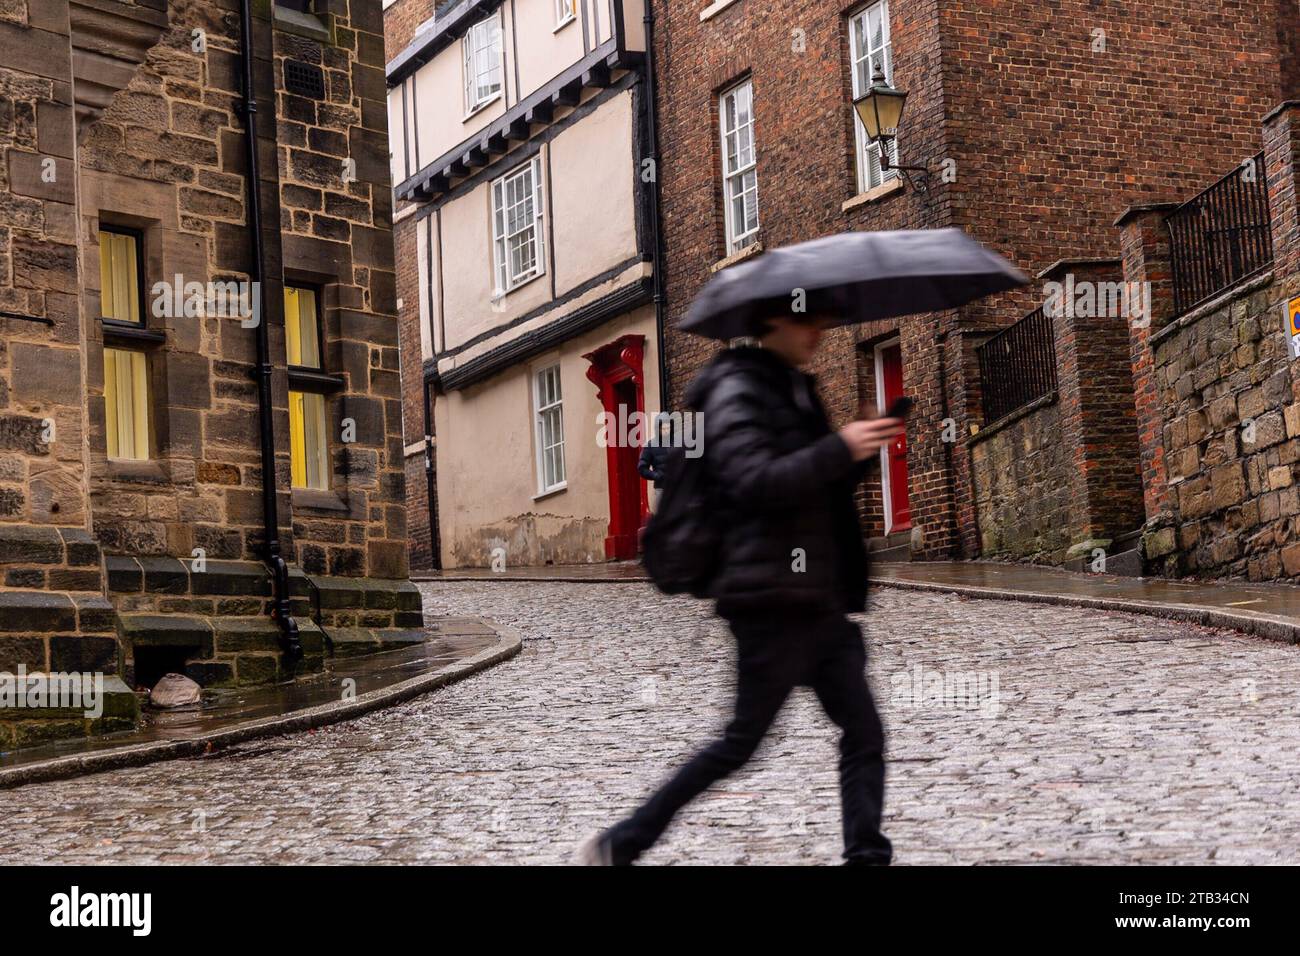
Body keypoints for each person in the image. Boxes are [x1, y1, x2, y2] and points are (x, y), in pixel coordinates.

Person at [579, 313, 905, 865]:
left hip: (816, 596)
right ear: (773, 319)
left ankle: (867, 857)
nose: (818, 330)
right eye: (805, 319)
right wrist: (837, 448)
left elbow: (812, 487)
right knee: (741, 742)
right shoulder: (735, 388)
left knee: (864, 731)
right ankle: (621, 843)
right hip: (769, 599)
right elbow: (754, 482)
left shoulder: (792, 387)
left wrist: (861, 447)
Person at [638, 414, 673, 509]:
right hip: (661, 489)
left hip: (678, 489)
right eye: (663, 429)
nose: (667, 431)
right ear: (658, 429)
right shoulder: (650, 446)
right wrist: (656, 475)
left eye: (668, 428)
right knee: (663, 521)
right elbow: (642, 468)